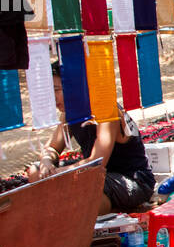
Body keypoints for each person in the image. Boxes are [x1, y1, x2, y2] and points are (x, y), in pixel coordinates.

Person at [26, 63, 155, 214]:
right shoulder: (70, 114)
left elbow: (96, 162)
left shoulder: (107, 111)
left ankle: (107, 208)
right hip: (94, 177)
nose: (53, 98)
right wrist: (46, 162)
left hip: (131, 181)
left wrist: (57, 173)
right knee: (35, 171)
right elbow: (53, 147)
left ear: (75, 87)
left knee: (81, 189)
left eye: (56, 90)